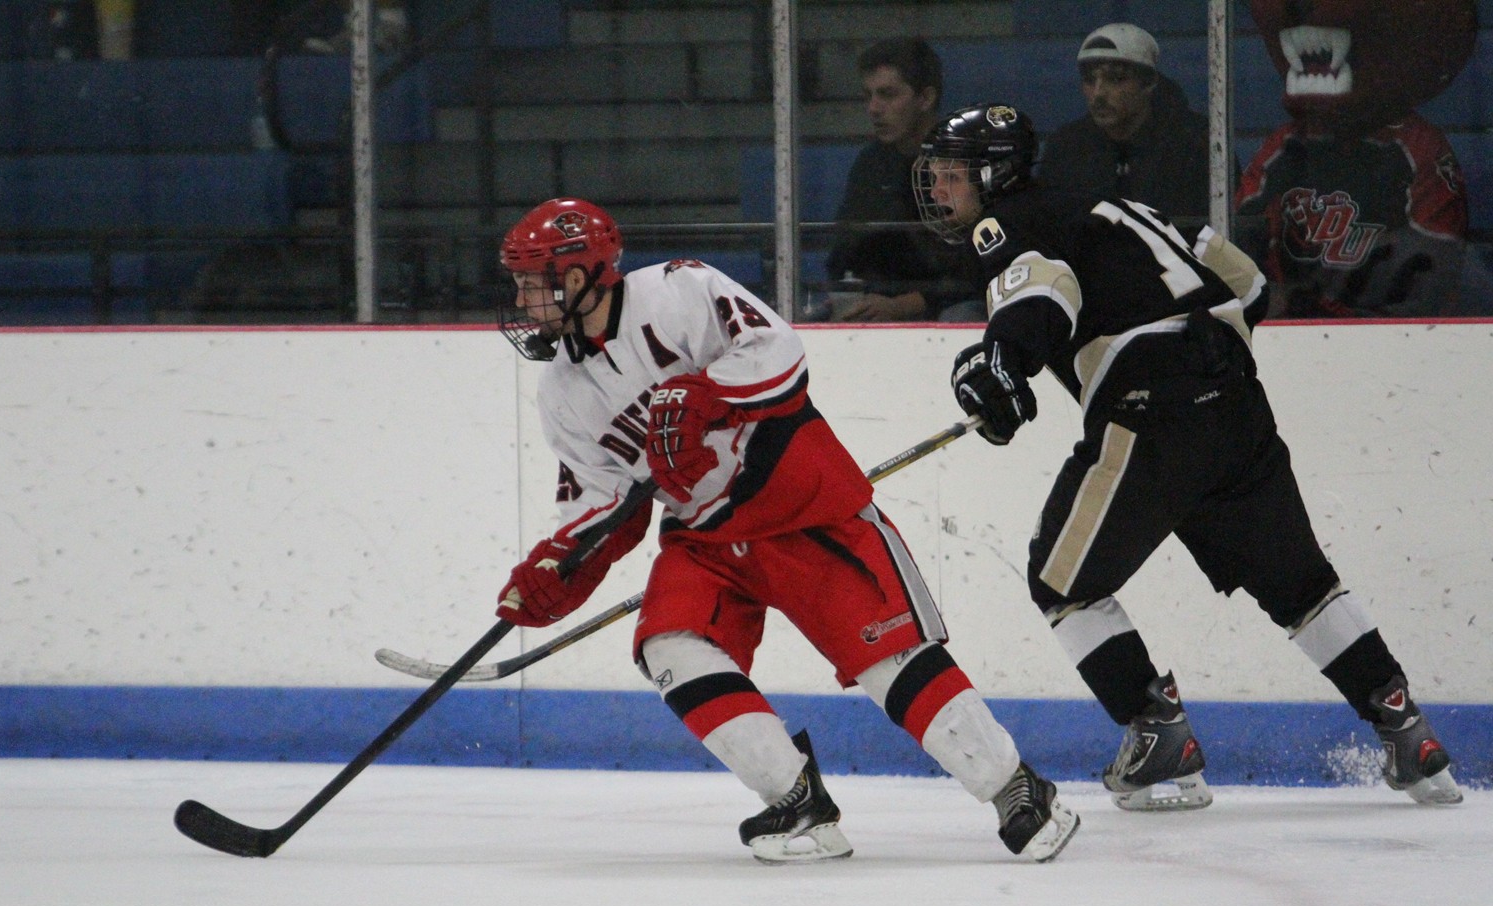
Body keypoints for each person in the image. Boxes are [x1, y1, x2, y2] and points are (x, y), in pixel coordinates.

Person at [492, 196, 1080, 863]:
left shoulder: (679, 291)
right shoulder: (562, 392)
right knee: (672, 647)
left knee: (890, 662)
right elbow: (606, 506)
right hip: (708, 539)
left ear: (575, 278)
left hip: (802, 506)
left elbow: (780, 351)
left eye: (529, 283)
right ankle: (797, 800)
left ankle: (1016, 787)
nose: (520, 299)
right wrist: (559, 568)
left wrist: (707, 392)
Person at [910, 102, 1463, 811]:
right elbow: (1252, 289)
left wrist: (1004, 358)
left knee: (1060, 580)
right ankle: (1405, 727)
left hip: (1152, 407)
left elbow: (1040, 289)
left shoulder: (1008, 223)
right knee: (1302, 586)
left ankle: (1157, 733)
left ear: (993, 174)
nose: (941, 189)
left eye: (953, 174)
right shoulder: (1121, 206)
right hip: (1235, 399)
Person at [1234, 0, 1475, 318]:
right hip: (1291, 337)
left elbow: (1431, 278)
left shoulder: (1418, 146)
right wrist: (1279, 305)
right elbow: (1239, 244)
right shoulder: (1284, 144)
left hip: (1392, 342)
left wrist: (1332, 316)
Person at [823, 37, 980, 322]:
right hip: (879, 304)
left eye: (887, 94)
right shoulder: (871, 164)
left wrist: (907, 304)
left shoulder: (967, 160)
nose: (873, 108)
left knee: (959, 317)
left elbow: (980, 267)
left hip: (949, 307)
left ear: (926, 98)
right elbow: (844, 255)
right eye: (868, 95)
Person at [1037, 23, 1222, 228]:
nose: (1098, 94)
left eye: (1116, 79)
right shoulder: (1066, 149)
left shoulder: (1196, 144)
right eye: (1090, 80)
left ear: (1149, 82)